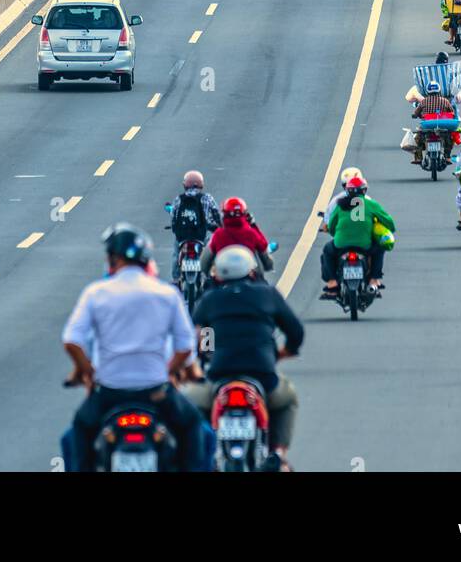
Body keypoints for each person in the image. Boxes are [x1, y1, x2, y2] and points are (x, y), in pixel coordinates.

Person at [61, 223, 205, 472]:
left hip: (110, 393)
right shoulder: (167, 293)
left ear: (113, 259)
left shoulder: (96, 293)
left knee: (77, 433)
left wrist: (87, 371)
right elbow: (185, 346)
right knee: (195, 428)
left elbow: (72, 340)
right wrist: (169, 372)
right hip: (155, 393)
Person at [185, 246, 304, 471]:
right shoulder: (267, 295)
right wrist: (281, 353)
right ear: (251, 271)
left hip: (220, 374)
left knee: (191, 403)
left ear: (218, 273)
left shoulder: (210, 299)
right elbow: (295, 332)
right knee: (287, 398)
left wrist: (207, 355)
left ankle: (200, 455)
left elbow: (200, 337)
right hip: (262, 375)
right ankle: (278, 454)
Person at [323, 176, 395, 294]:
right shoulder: (371, 204)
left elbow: (331, 226)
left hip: (341, 245)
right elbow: (389, 222)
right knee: (379, 249)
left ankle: (332, 282)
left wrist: (336, 234)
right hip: (364, 245)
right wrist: (388, 230)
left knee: (327, 250)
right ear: (364, 191)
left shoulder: (340, 204)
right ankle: (373, 279)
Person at [169, 170, 222, 281]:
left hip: (183, 236)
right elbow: (217, 215)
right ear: (201, 184)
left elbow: (173, 218)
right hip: (202, 235)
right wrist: (220, 226)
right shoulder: (207, 198)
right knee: (211, 253)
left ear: (185, 184)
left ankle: (175, 278)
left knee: (176, 253)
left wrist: (174, 228)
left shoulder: (179, 199)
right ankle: (210, 276)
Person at [200, 197, 272, 275]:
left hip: (223, 279)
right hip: (249, 278)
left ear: (224, 215)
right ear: (245, 215)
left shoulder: (218, 235)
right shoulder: (251, 233)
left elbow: (204, 263)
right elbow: (264, 248)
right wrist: (254, 225)